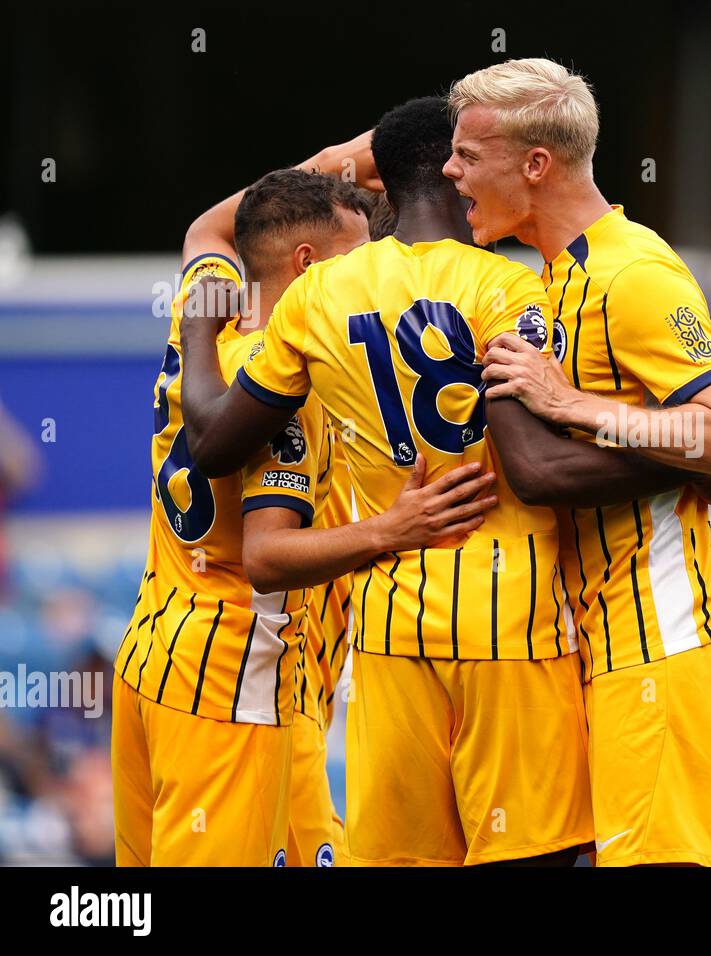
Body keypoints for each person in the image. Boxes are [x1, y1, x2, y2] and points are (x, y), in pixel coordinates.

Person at [177, 97, 711, 865]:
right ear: (456, 173)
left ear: (388, 186)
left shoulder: (316, 294)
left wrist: (200, 318)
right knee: (527, 855)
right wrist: (692, 454)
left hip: (389, 628)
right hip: (512, 625)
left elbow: (219, 443)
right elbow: (537, 471)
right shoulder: (509, 290)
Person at [115, 145, 493, 865]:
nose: (370, 279)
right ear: (309, 267)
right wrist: (394, 528)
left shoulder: (209, 310)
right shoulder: (281, 390)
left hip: (160, 651)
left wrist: (362, 157)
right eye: (358, 262)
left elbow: (208, 227)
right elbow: (268, 558)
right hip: (235, 683)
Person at [446, 57, 711, 866]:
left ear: (535, 165)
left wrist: (574, 405)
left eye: (468, 156)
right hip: (599, 633)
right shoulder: (552, 278)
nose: (451, 172)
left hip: (663, 626)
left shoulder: (635, 272)